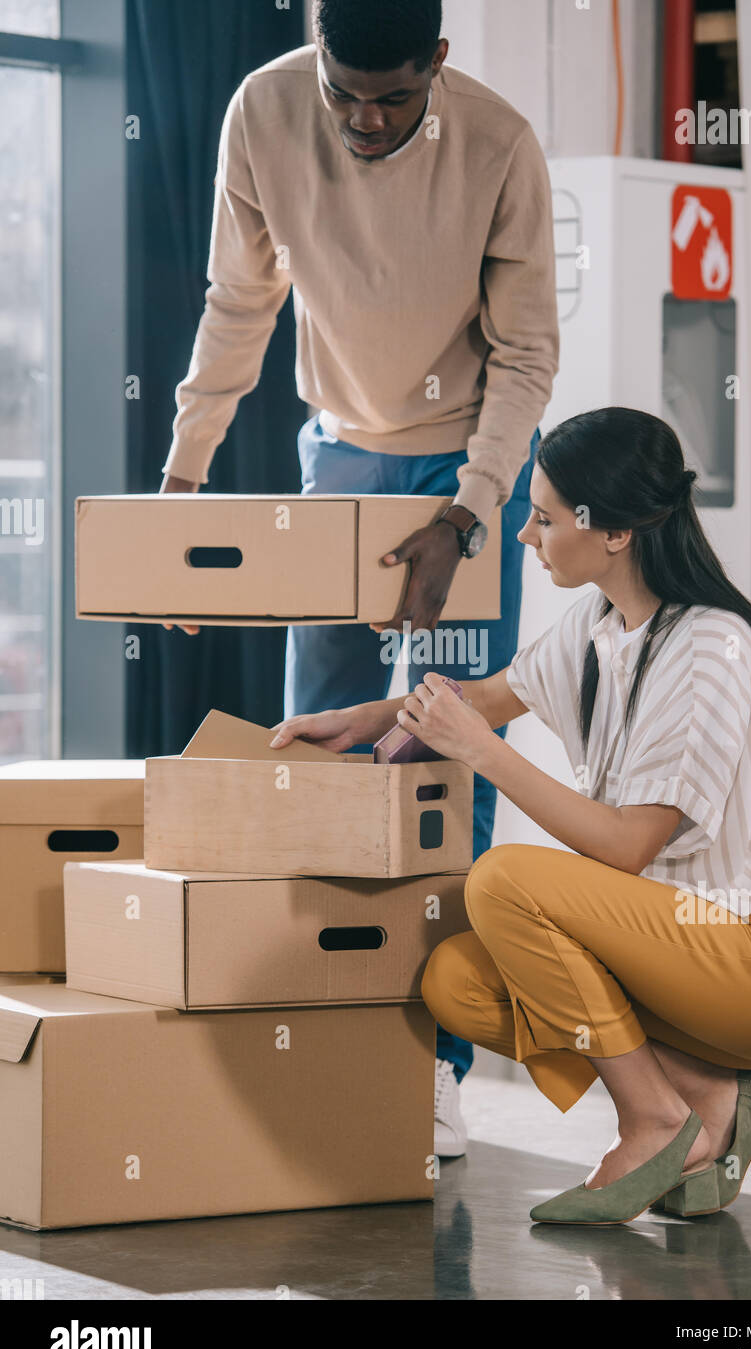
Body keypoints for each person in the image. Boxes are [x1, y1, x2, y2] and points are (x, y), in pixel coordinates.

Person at [271, 406, 751, 1225]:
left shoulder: (710, 649)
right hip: (679, 943)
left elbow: (625, 847)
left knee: (505, 876)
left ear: (612, 532)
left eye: (542, 519)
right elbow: (480, 697)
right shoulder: (598, 626)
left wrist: (482, 751)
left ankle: (653, 1120)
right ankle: (713, 1100)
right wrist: (363, 719)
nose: (524, 537)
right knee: (457, 980)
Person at [157, 0, 559, 1157]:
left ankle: (432, 1065)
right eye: (347, 95)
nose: (366, 121)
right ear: (318, 54)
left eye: (394, 97)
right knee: (316, 747)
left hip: (467, 454)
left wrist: (472, 509)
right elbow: (240, 302)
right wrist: (182, 489)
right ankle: (314, 1024)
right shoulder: (264, 109)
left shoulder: (500, 145)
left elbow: (528, 352)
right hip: (336, 448)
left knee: (443, 747)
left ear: (438, 60)